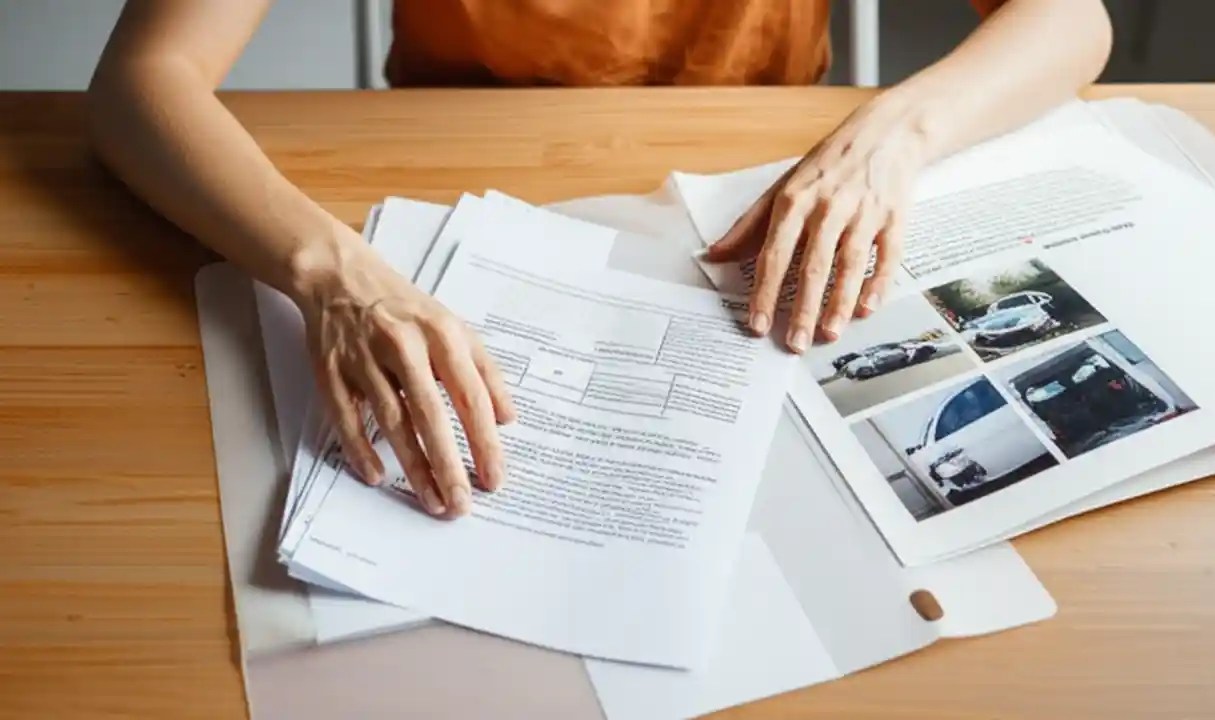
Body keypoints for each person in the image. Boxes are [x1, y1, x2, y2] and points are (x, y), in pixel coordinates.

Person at [87, 0, 1114, 519]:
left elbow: (1072, 18)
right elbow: (143, 79)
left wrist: (892, 136)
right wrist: (329, 271)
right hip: (453, 204)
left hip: (744, 205)